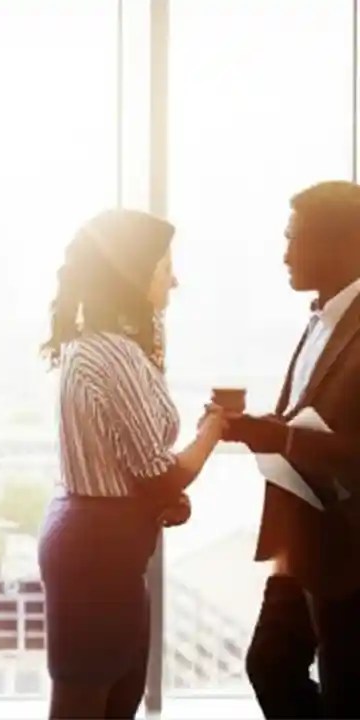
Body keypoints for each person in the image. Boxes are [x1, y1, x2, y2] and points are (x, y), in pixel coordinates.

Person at [37, 209, 226, 719]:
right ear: (133, 273)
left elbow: (135, 467)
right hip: (96, 551)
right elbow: (158, 472)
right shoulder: (112, 354)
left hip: (103, 544)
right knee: (88, 701)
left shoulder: (104, 347)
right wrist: (214, 430)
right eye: (166, 268)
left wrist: (160, 500)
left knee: (112, 694)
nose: (175, 279)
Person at [231, 181, 360, 719]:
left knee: (345, 694)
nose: (285, 254)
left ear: (341, 245)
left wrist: (283, 438)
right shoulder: (320, 320)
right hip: (304, 546)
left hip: (350, 552)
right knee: (270, 665)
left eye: (296, 240)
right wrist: (271, 429)